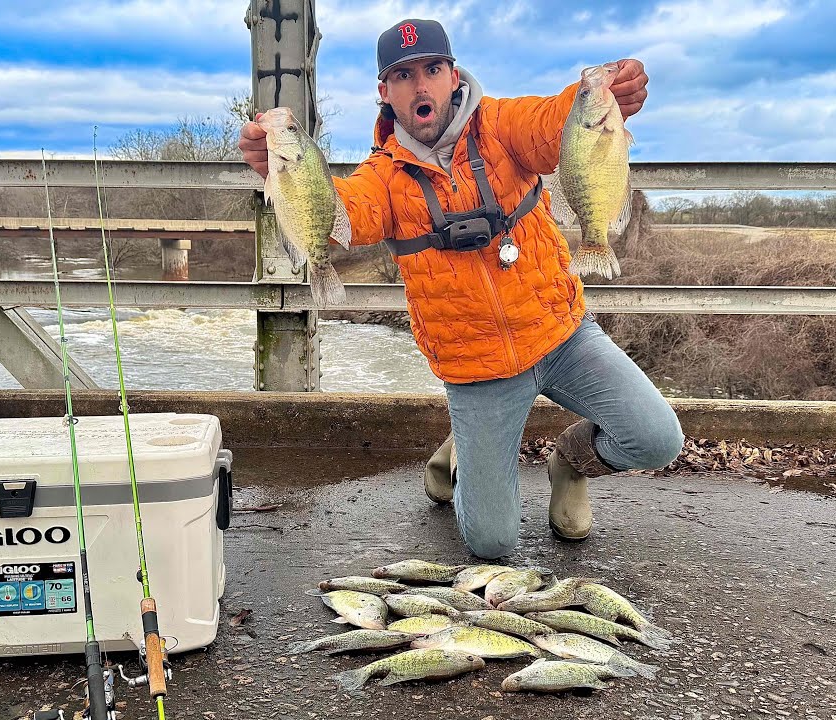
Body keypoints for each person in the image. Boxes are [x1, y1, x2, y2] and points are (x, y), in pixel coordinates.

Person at [239, 18, 683, 560]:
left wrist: (600, 93)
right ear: (385, 92)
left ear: (453, 75)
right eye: (402, 76)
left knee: (658, 439)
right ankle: (461, 451)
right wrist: (283, 172)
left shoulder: (502, 125)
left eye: (431, 69)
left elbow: (552, 125)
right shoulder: (382, 175)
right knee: (491, 544)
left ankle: (568, 463)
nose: (420, 86)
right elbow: (343, 212)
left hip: (560, 332)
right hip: (476, 368)